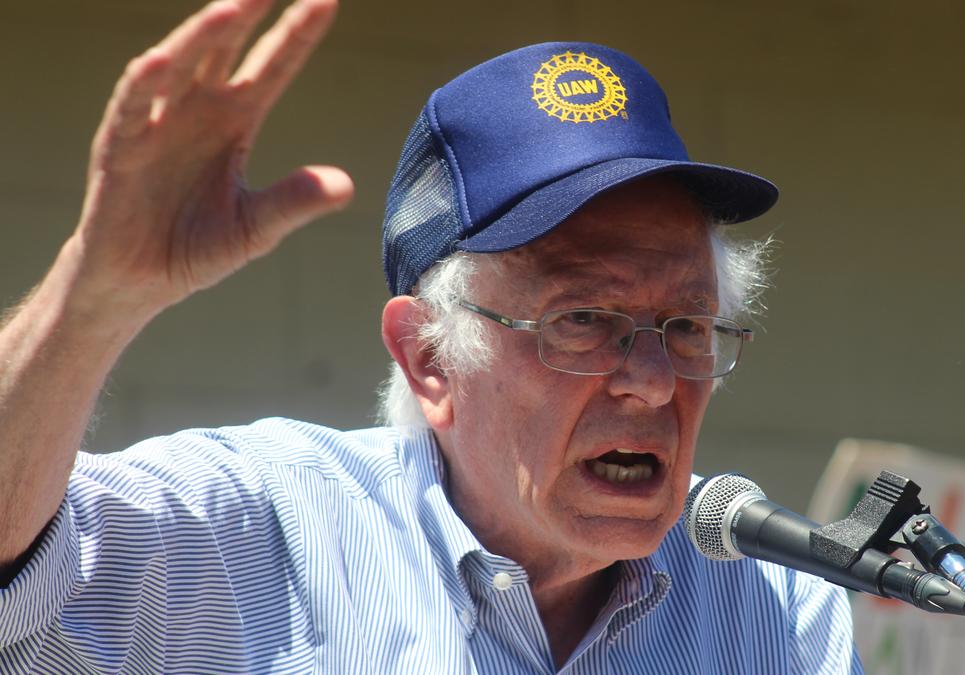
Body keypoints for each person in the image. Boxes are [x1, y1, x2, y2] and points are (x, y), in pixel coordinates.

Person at [0, 0, 863, 672]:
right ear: (429, 359)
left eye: (686, 326)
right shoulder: (258, 528)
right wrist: (91, 302)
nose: (652, 379)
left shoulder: (780, 604)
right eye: (583, 320)